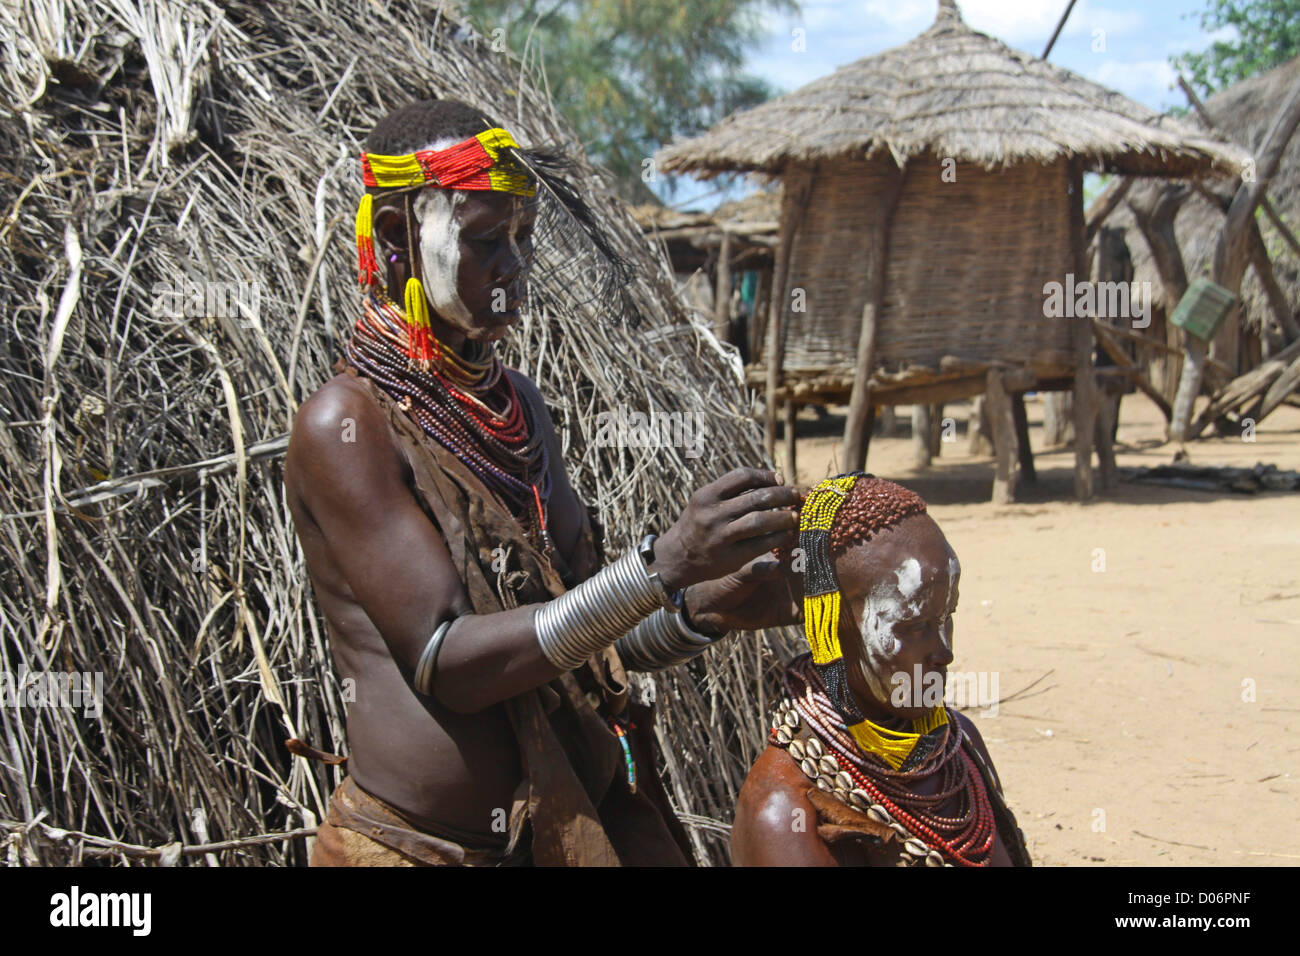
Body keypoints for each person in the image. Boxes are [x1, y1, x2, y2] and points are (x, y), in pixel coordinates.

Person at [283, 99, 801, 866]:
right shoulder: (344, 427)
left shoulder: (517, 406)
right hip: (422, 852)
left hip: (566, 831)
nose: (515, 265)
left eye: (523, 237)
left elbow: (577, 641)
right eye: (487, 239)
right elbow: (452, 664)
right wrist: (662, 566)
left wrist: (702, 610)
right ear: (396, 236)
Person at [730, 474, 1031, 866]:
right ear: (829, 627)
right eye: (914, 626)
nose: (944, 653)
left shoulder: (959, 744)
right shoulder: (785, 813)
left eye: (947, 616)